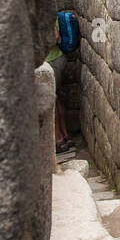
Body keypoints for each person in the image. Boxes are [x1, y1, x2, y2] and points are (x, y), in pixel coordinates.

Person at [46, 22, 74, 155]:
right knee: (58, 99)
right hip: (58, 58)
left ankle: (58, 138)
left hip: (50, 62)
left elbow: (54, 36)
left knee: (52, 101)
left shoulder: (40, 12)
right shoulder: (49, 10)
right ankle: (65, 136)